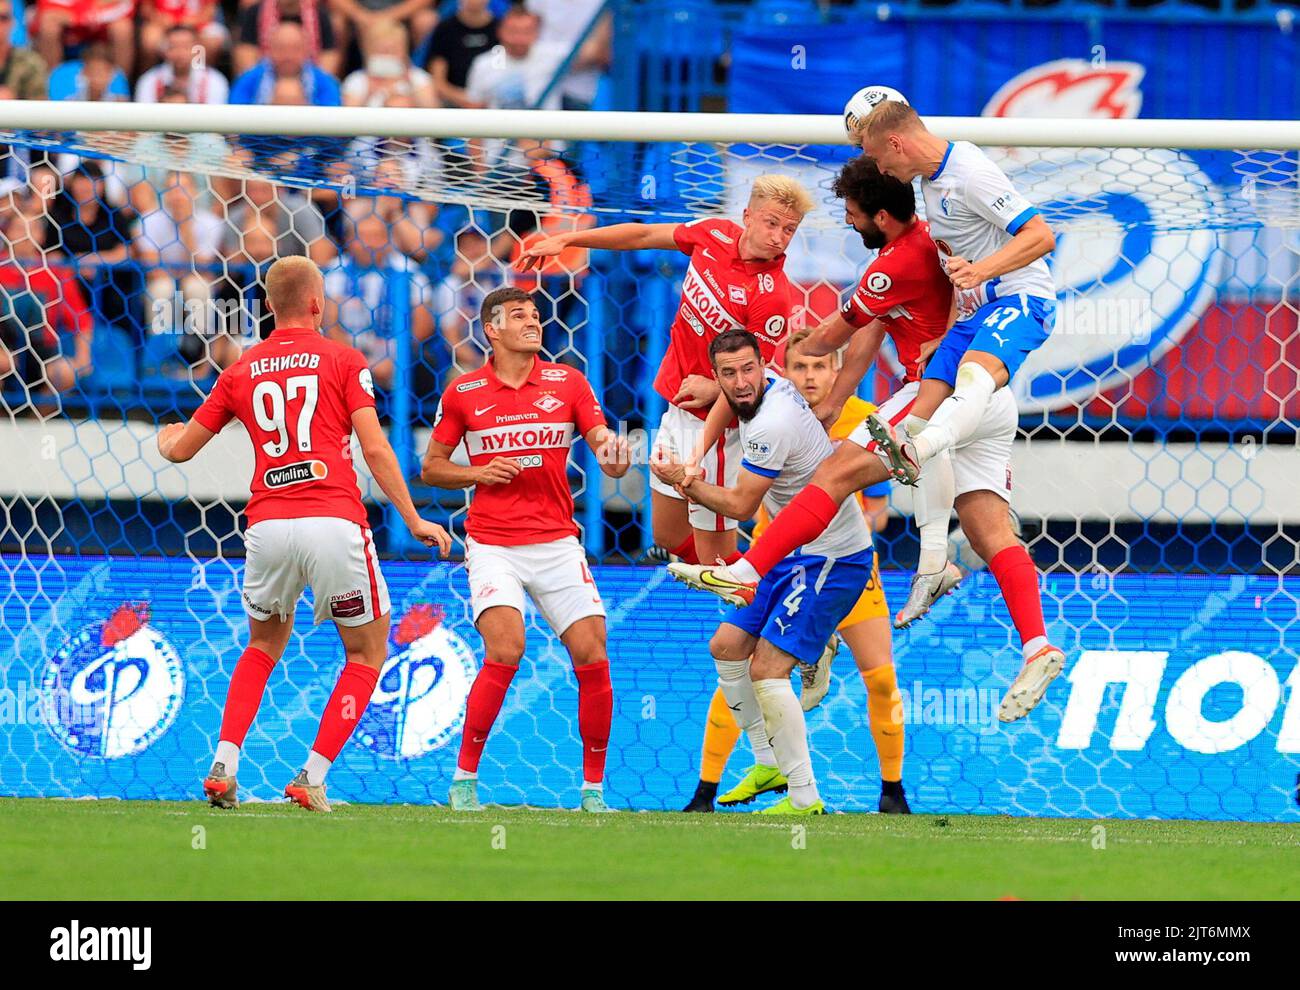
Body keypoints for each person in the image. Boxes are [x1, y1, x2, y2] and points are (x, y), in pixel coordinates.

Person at [671, 155, 1062, 725]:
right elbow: (873, 329)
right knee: (988, 528)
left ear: (880, 214)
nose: (849, 224)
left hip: (934, 393)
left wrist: (758, 373)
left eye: (853, 215)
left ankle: (753, 573)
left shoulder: (894, 264)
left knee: (830, 475)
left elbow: (834, 333)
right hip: (990, 402)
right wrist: (831, 401)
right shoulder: (930, 241)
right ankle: (1036, 646)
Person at [156, 255, 452, 813]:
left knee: (263, 644)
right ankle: (311, 776)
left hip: (267, 525)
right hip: (334, 520)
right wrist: (413, 519)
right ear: (318, 303)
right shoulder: (343, 360)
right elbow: (375, 447)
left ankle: (224, 763)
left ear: (268, 306)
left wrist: (164, 439)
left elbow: (182, 449)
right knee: (365, 653)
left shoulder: (240, 369)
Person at [517, 174, 811, 575]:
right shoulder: (714, 235)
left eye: (789, 229)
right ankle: (762, 584)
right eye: (772, 223)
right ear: (747, 216)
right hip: (679, 408)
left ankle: (773, 609)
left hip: (720, 429)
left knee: (717, 560)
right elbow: (641, 235)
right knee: (669, 536)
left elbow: (752, 383)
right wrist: (569, 241)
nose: (779, 236)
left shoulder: (772, 294)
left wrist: (714, 392)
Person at [673, 326, 911, 815]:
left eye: (819, 364)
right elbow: (732, 396)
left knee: (800, 671)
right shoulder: (767, 392)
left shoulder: (827, 419)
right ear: (783, 368)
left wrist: (685, 482)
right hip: (782, 553)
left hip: (836, 557)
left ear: (834, 369)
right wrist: (699, 449)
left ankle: (831, 797)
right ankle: (764, 764)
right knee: (726, 647)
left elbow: (740, 505)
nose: (808, 374)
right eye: (799, 365)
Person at [421, 286, 630, 813]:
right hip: (493, 543)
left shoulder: (567, 381)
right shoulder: (465, 392)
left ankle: (593, 790)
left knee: (593, 656)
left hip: (558, 541)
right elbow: (431, 468)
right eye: (519, 315)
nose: (533, 322)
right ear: (492, 330)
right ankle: (465, 780)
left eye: (536, 315)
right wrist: (477, 471)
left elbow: (601, 437)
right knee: (506, 650)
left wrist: (613, 455)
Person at [229, 19, 341, 106]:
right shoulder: (248, 79)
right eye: (281, 49)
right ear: (270, 50)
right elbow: (232, 122)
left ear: (307, 50)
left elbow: (335, 124)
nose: (288, 56)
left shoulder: (325, 82)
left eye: (295, 49)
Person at [341, 18, 435, 108]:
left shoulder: (418, 78)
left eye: (393, 50)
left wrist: (410, 85)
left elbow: (433, 113)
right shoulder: (357, 80)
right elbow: (346, 118)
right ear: (368, 52)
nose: (388, 56)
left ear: (404, 51)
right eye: (382, 50)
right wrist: (368, 93)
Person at [423, 0, 497, 109]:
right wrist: (466, 99)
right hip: (453, 103)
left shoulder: (501, 29)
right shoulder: (445, 29)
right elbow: (438, 81)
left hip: (494, 101)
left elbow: (504, 70)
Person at [134, 24, 229, 104]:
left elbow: (215, 121)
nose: (180, 53)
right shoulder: (149, 80)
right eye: (173, 47)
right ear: (164, 50)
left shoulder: (215, 81)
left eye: (186, 47)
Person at [0, 0, 51, 101]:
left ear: (12, 23)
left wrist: (14, 102)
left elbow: (41, 107)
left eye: (3, 18)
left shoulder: (30, 62)